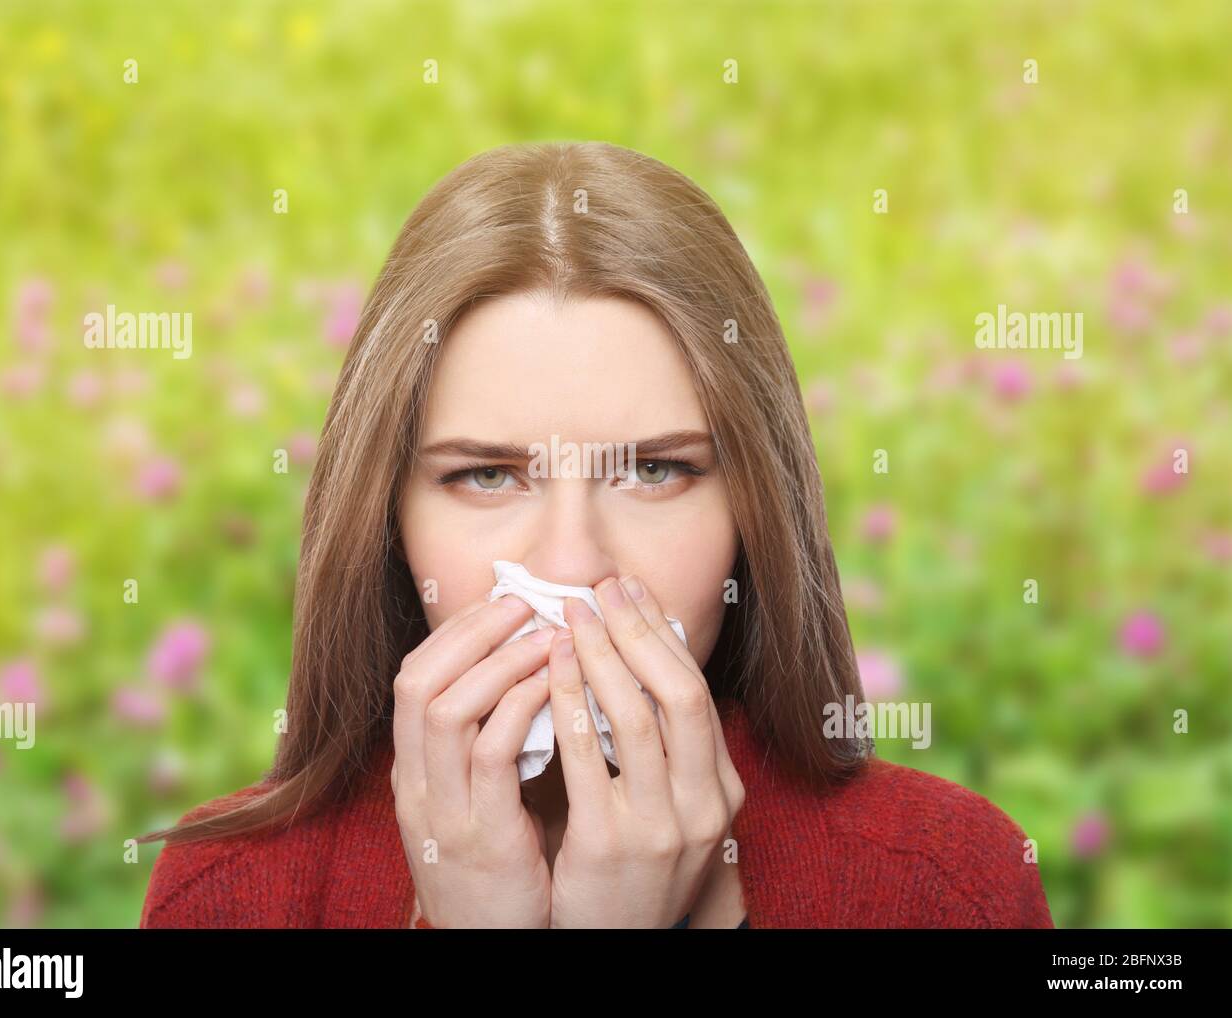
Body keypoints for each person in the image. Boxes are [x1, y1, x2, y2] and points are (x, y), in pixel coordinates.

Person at [137, 141, 1054, 929]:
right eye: (486, 476)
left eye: (655, 471)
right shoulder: (235, 895)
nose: (572, 563)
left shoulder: (943, 883)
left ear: (754, 511)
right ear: (386, 523)